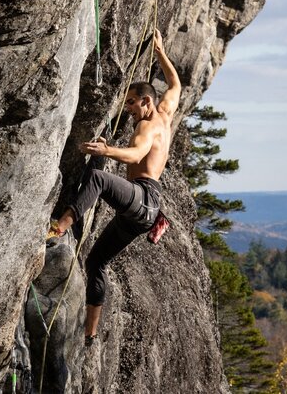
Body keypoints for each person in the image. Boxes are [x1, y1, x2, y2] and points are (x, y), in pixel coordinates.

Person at [47, 28, 181, 345]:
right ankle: (91, 333)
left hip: (144, 198)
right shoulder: (165, 111)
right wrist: (160, 51)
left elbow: (136, 154)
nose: (129, 108)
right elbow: (175, 84)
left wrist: (107, 151)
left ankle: (60, 226)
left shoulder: (147, 128)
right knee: (95, 263)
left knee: (98, 178)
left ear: (146, 100)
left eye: (132, 103)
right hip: (141, 212)